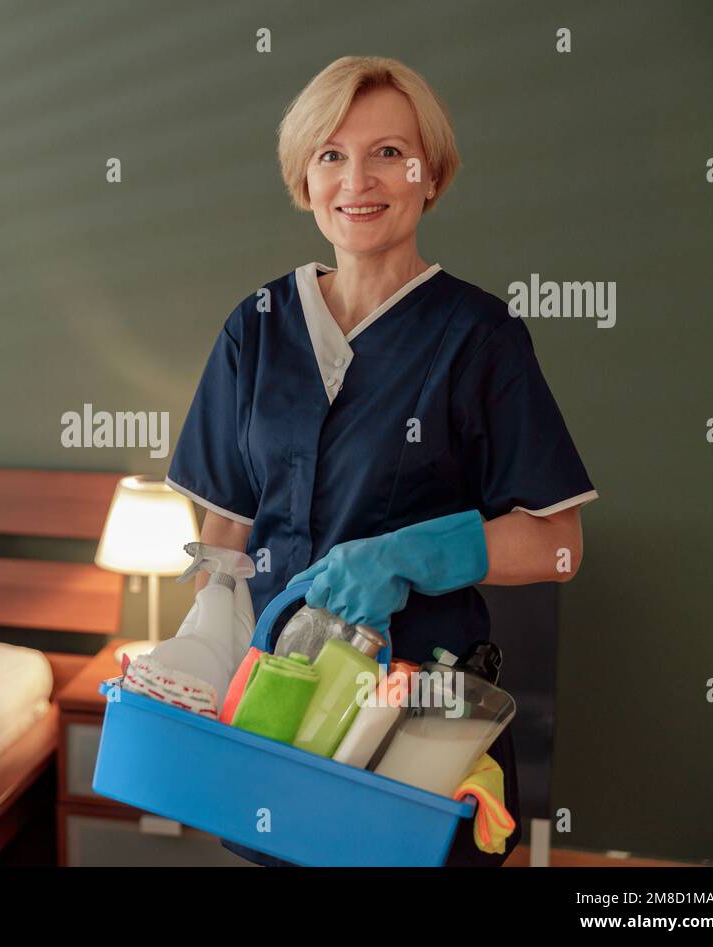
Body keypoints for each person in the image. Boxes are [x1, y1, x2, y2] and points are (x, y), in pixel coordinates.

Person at [165, 56, 597, 866]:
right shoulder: (257, 325)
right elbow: (225, 531)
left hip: (417, 723)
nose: (357, 180)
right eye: (331, 154)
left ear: (430, 174)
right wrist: (204, 658)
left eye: (389, 153)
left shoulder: (480, 336)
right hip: (279, 715)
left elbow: (559, 545)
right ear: (304, 178)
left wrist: (407, 555)